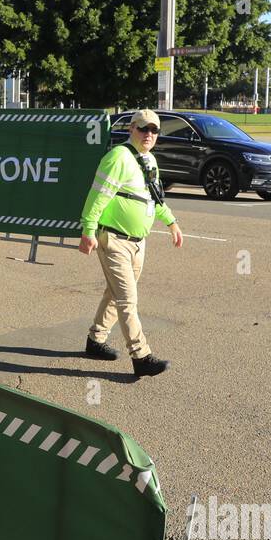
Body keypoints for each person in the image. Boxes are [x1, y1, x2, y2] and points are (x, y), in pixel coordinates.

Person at [79, 108, 183, 378]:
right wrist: (88, 230)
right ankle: (141, 356)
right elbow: (97, 196)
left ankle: (95, 341)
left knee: (115, 293)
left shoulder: (149, 160)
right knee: (127, 300)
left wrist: (171, 222)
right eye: (143, 128)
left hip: (138, 242)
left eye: (154, 130)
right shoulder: (118, 157)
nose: (149, 134)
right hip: (114, 239)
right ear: (131, 129)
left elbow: (155, 199)